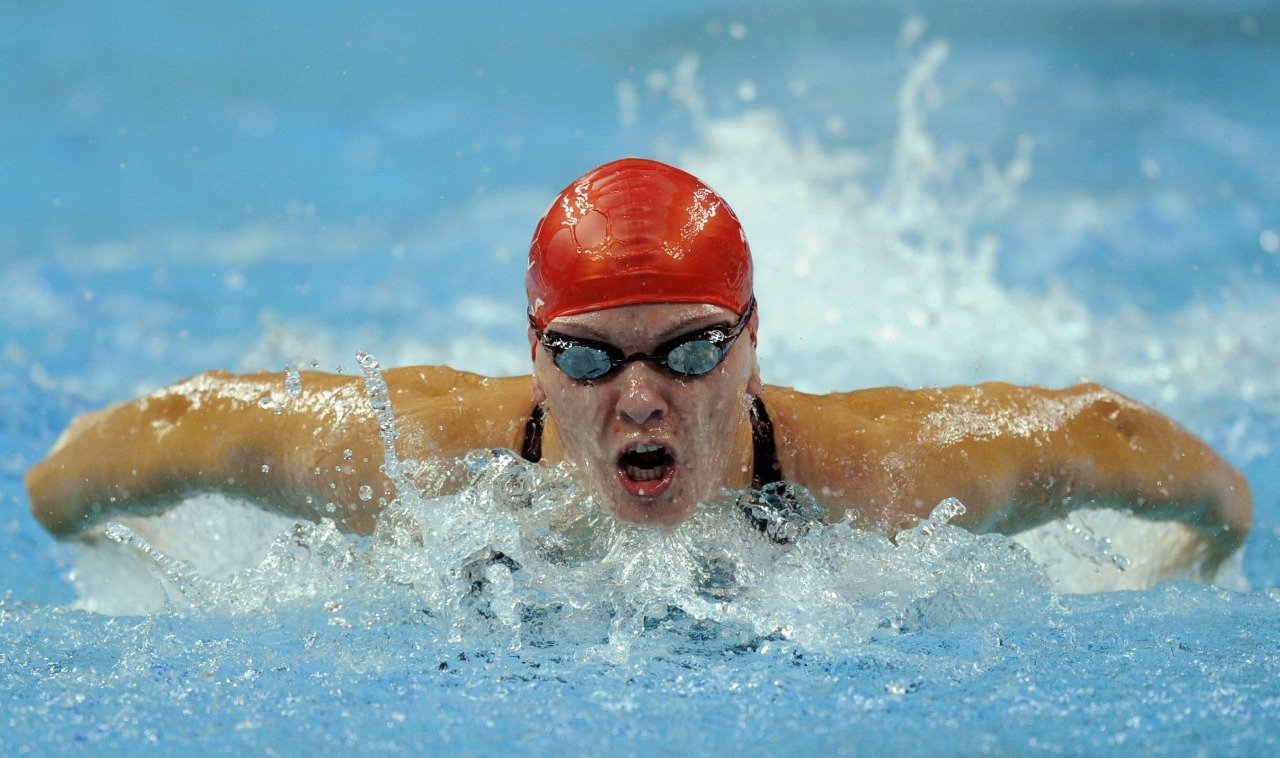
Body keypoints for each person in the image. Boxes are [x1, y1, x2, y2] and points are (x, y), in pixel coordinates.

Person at [25, 158, 1252, 569]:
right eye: (588, 357)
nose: (641, 394)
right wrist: (69, 517)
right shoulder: (421, 461)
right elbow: (190, 431)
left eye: (692, 346)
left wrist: (1210, 543)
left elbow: (1111, 439)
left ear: (754, 340)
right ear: (533, 355)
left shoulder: (883, 479)